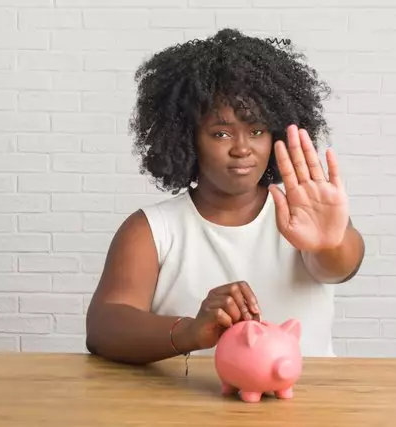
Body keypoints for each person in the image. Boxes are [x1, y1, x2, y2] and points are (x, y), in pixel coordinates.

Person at [85, 28, 365, 365]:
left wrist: (328, 244)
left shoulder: (305, 214)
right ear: (187, 138)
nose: (243, 148)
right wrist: (190, 331)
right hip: (184, 408)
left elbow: (338, 268)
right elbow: (103, 328)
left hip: (303, 408)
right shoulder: (151, 230)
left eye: (257, 131)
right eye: (221, 133)